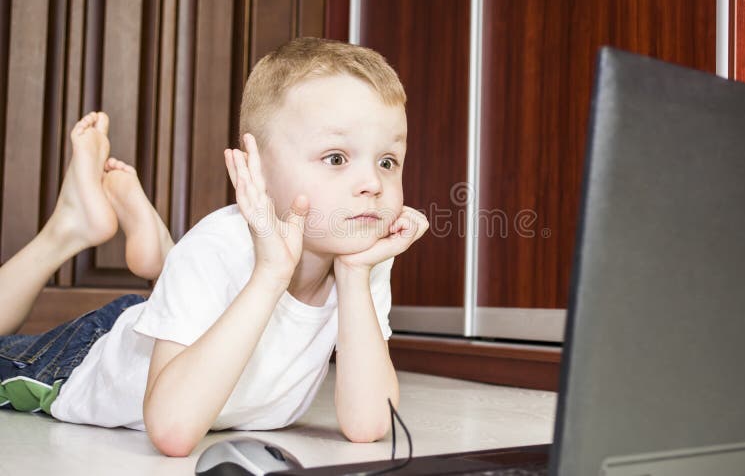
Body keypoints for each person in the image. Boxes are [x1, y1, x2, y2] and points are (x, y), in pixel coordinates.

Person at [0, 37, 429, 457]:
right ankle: (68, 229)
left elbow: (371, 424)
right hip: (85, 355)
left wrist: (354, 276)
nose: (373, 184)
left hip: (181, 323)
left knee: (193, 276)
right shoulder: (216, 246)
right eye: (336, 158)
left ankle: (161, 255)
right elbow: (171, 432)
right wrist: (270, 275)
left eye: (387, 162)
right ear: (255, 166)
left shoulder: (363, 258)